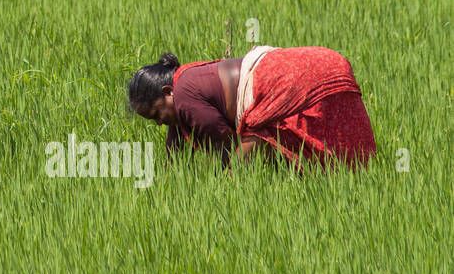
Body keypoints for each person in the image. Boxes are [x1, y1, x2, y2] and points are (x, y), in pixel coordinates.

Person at [127, 47, 377, 168]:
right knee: (348, 168)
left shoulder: (184, 95)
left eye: (157, 114)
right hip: (325, 63)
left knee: (240, 167)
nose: (159, 122)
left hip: (285, 81)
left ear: (167, 92)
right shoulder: (185, 82)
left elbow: (227, 142)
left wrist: (220, 185)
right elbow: (176, 153)